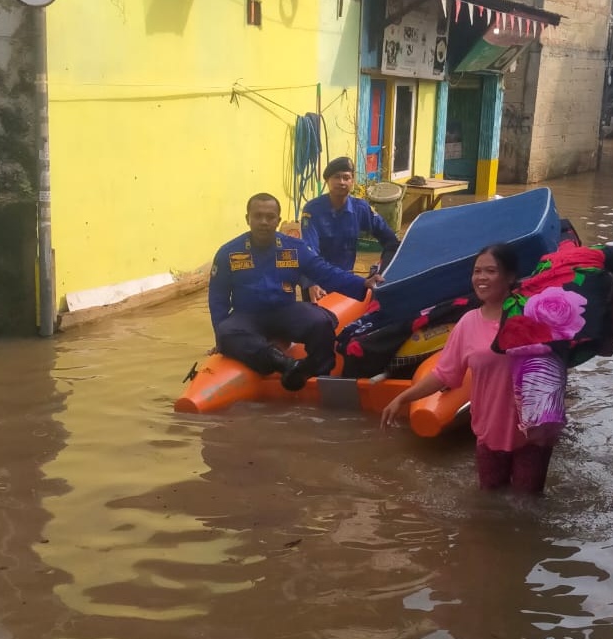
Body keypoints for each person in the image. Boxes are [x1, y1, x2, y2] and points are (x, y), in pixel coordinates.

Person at [379, 244, 564, 493]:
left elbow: (561, 360)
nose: (482, 278)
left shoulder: (533, 315)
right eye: (477, 271)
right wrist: (403, 398)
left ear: (510, 276)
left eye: (491, 271)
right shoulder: (467, 323)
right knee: (490, 502)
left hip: (533, 433)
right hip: (489, 432)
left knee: (526, 507)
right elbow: (443, 374)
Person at [209, 193, 384, 391]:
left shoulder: (294, 248)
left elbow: (325, 272)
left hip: (285, 311)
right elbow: (218, 298)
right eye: (258, 216)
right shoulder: (228, 253)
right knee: (226, 333)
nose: (264, 222)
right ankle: (285, 364)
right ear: (247, 218)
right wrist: (220, 339)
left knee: (321, 322)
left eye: (270, 216)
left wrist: (362, 284)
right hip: (247, 316)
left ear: (278, 220)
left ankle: (318, 371)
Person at [300, 156, 400, 301]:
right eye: (336, 177)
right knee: (316, 320)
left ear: (352, 181)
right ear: (327, 181)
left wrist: (383, 270)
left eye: (346, 178)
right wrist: (312, 282)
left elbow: (390, 241)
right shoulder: (313, 210)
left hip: (346, 281)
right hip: (318, 279)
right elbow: (309, 251)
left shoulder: (361, 208)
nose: (341, 182)